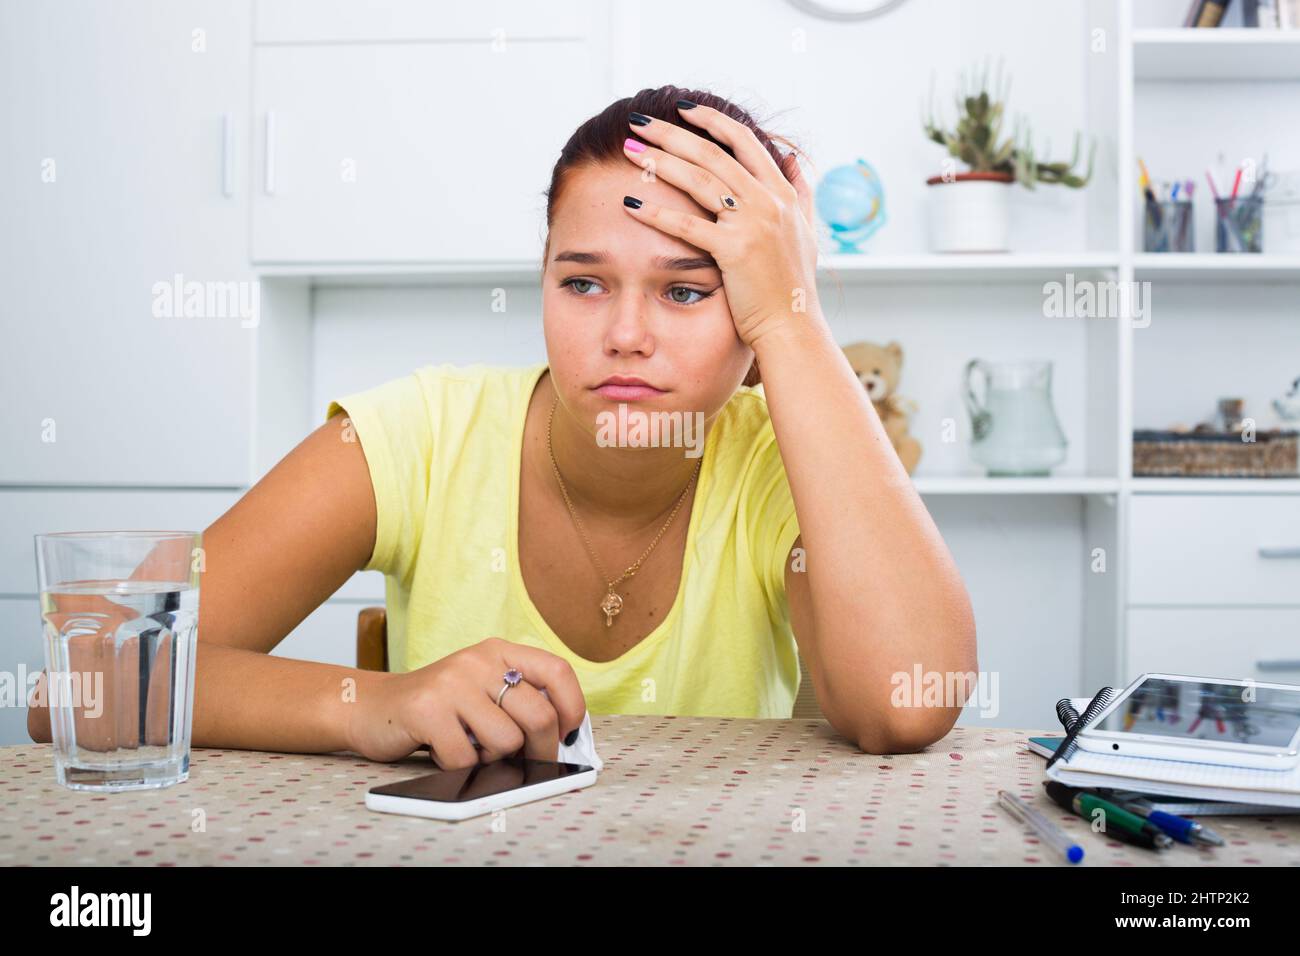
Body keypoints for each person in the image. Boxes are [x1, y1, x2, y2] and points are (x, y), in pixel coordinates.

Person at [29, 85, 977, 764]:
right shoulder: (420, 434)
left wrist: (794, 318)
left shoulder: (783, 462)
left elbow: (905, 703)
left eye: (688, 290)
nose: (625, 335)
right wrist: (377, 704)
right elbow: (82, 684)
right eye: (582, 282)